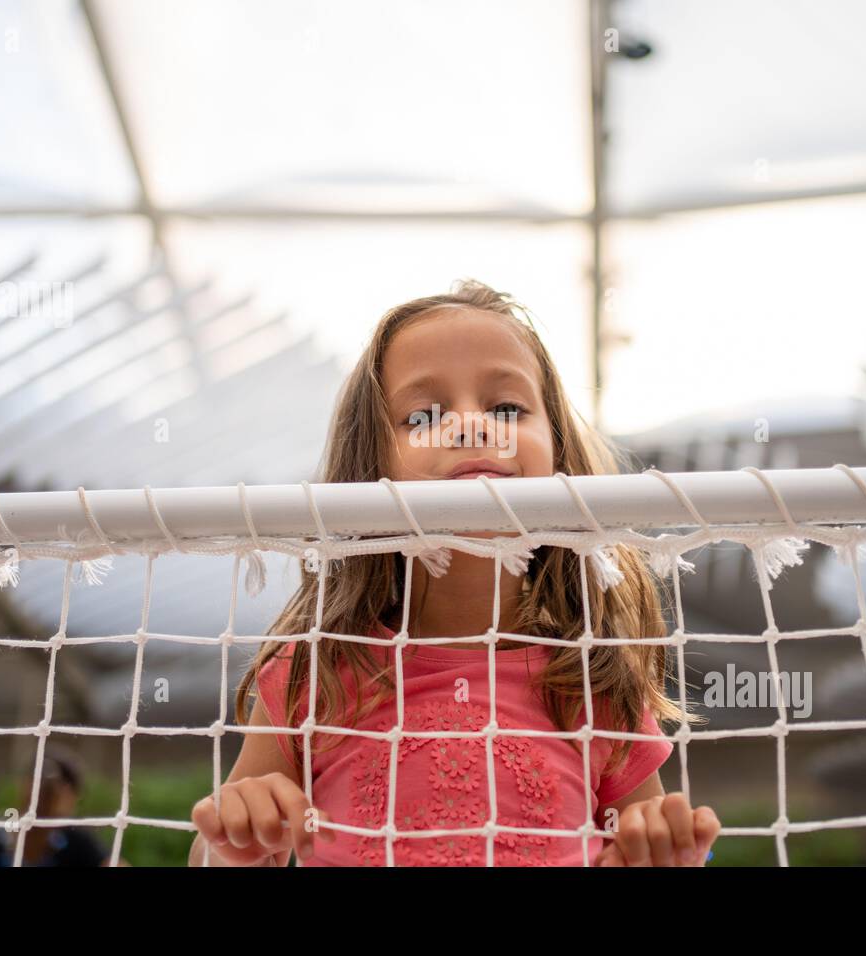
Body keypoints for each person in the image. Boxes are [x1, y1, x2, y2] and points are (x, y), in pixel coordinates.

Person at [189, 279, 721, 867]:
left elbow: (641, 845)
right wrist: (237, 841)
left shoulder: (592, 680)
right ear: (369, 469)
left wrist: (656, 853)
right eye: (423, 415)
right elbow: (219, 853)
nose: (470, 425)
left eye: (506, 408)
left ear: (561, 456)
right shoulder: (315, 670)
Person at [0, 746, 124, 867]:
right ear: (23, 785)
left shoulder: (79, 845)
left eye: (65, 783)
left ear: (75, 797)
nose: (45, 790)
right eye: (35, 777)